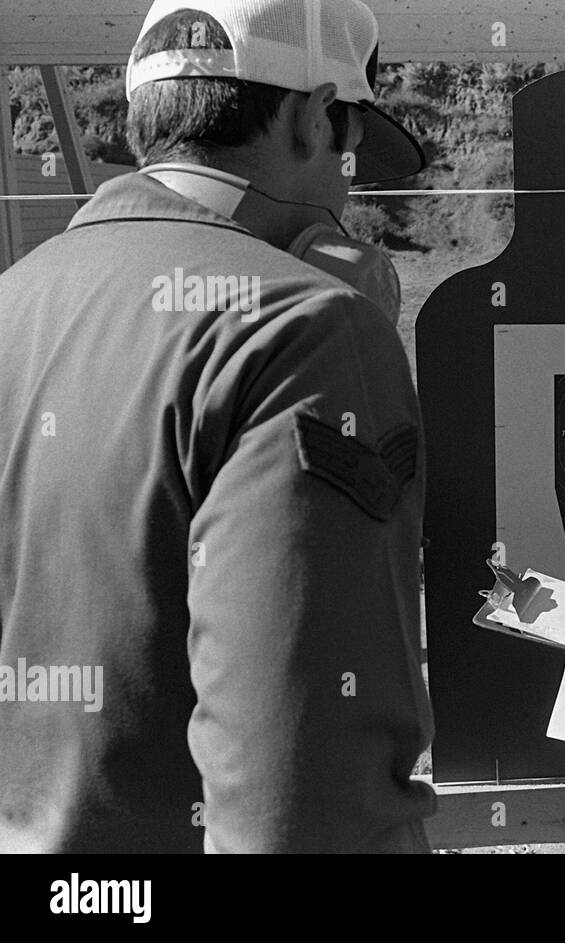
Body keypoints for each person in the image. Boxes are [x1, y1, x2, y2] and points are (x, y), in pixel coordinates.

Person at [0, 0, 433, 852]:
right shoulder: (307, 328)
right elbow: (308, 798)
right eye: (350, 148)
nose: (350, 185)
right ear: (312, 120)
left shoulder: (14, 302)